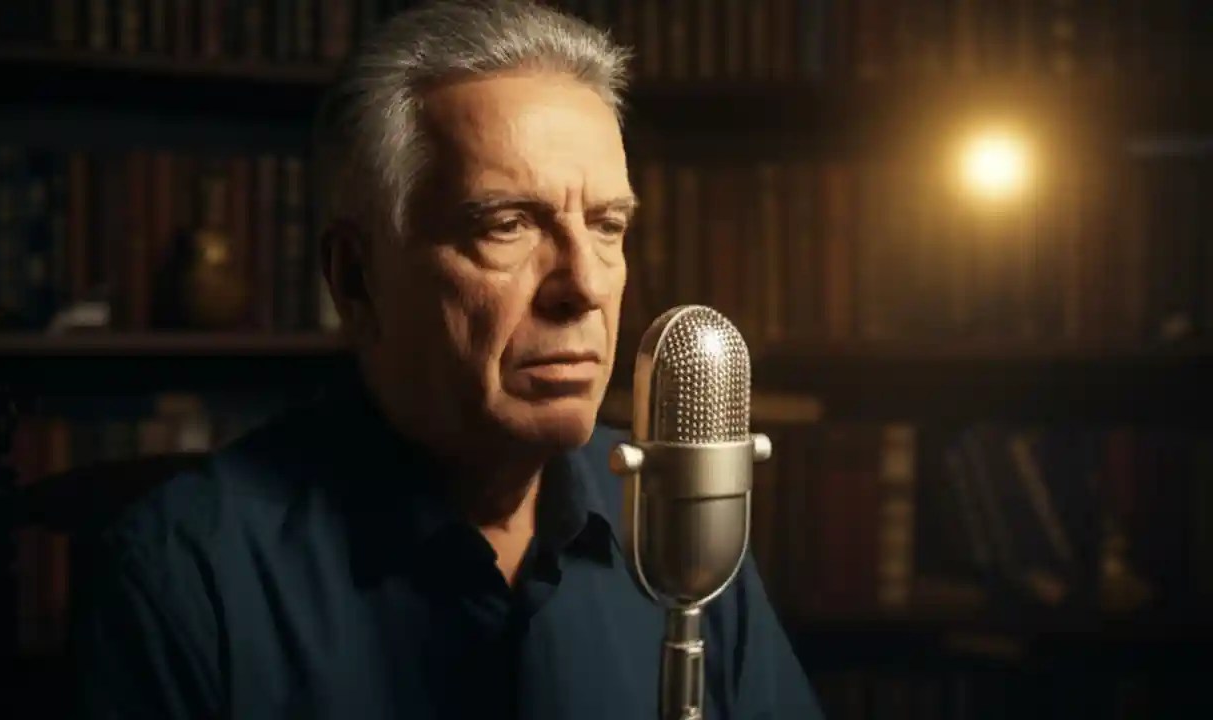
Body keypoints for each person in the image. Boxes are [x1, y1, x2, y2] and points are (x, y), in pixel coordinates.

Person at [71, 1, 825, 718]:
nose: (585, 287)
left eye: (607, 226)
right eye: (508, 225)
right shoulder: (184, 575)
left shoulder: (681, 527)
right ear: (357, 279)